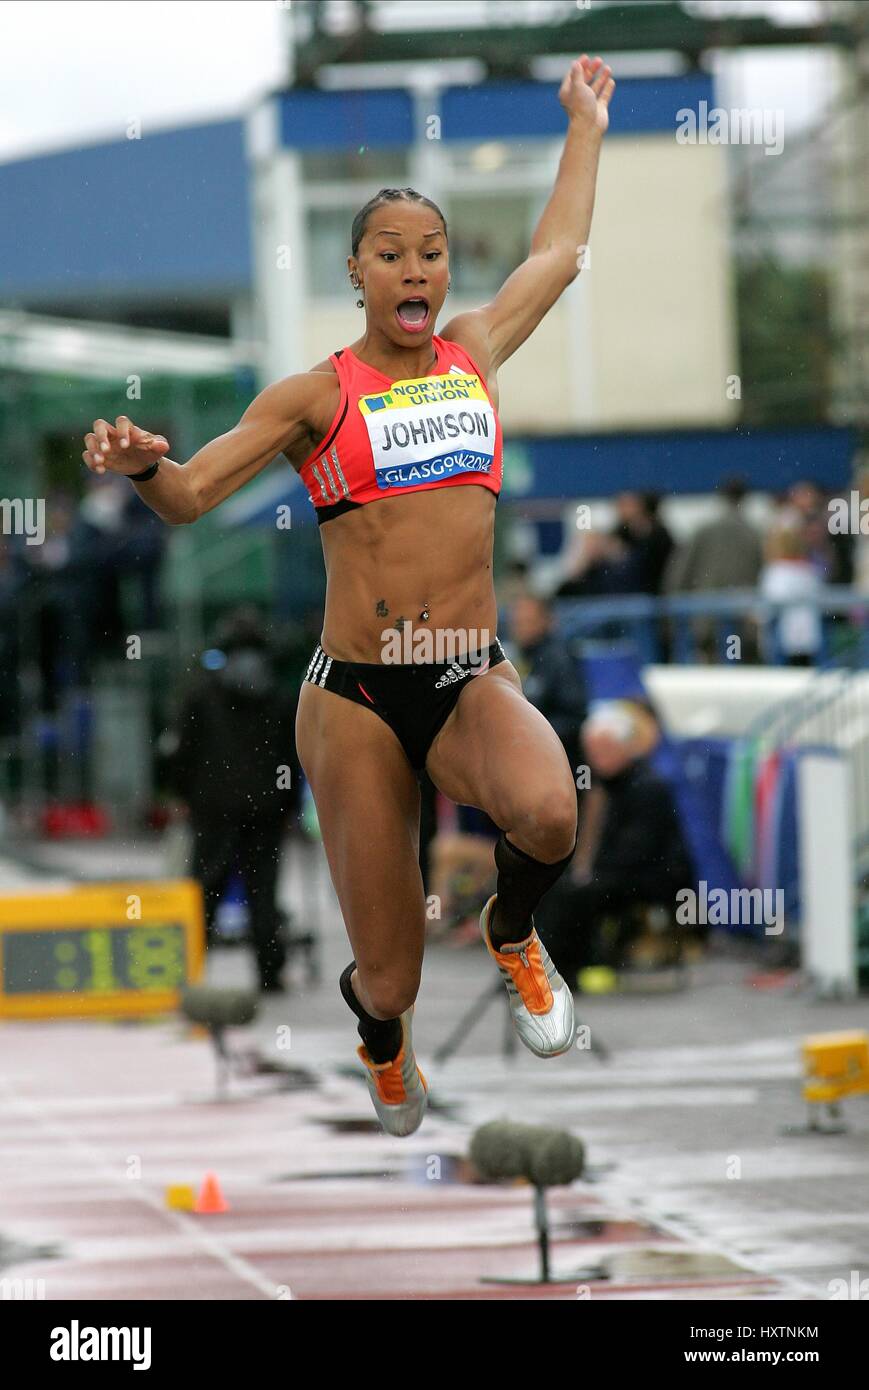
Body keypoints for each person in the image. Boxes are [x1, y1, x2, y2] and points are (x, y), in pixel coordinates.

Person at [81, 54, 616, 1137]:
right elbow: (187, 498)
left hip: (468, 674)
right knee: (391, 975)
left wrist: (585, 125)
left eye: (431, 254)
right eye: (392, 255)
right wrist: (141, 463)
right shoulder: (314, 397)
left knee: (552, 808)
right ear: (357, 273)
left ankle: (512, 930)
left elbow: (557, 251)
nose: (416, 271)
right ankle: (380, 1037)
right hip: (357, 698)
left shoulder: (473, 352)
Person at [158, 607, 300, 991]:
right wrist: (290, 806)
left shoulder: (202, 695)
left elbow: (184, 752)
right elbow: (291, 757)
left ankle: (187, 969)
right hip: (267, 807)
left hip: (213, 805)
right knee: (264, 891)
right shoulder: (281, 698)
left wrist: (181, 794)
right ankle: (270, 973)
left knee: (204, 889)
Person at [534, 702, 695, 983]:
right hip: (609, 869)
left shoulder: (648, 786)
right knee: (547, 886)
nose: (598, 757)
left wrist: (587, 873)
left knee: (575, 894)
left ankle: (564, 972)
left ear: (627, 747)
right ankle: (541, 971)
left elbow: (638, 851)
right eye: (593, 750)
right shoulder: (593, 784)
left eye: (606, 750)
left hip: (651, 877)